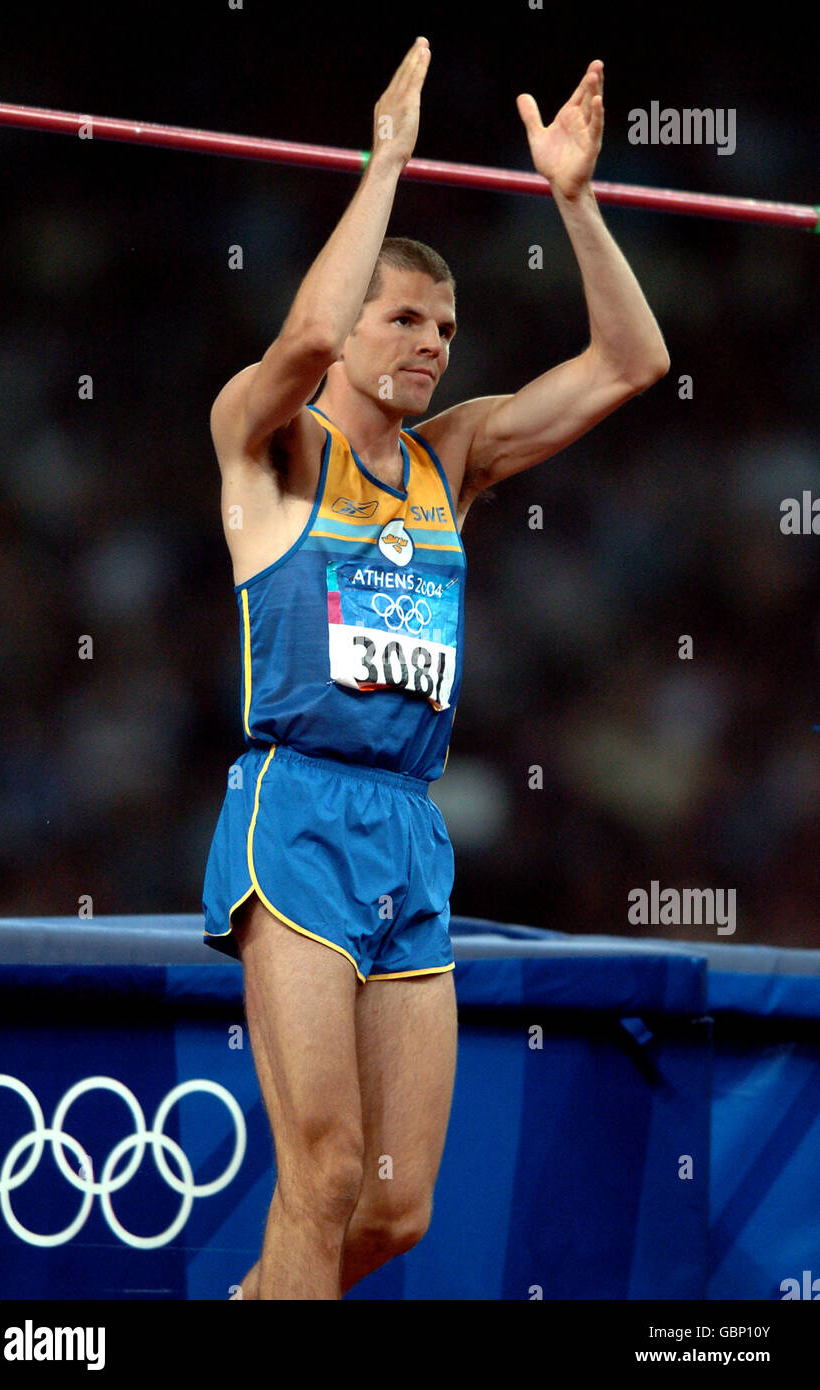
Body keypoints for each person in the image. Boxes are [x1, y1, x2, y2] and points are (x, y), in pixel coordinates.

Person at [202, 36, 669, 1300]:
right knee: (324, 1170)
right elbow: (301, 333)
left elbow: (631, 366)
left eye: (445, 328)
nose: (429, 346)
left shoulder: (448, 459)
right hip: (294, 810)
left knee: (392, 1210)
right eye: (403, 319)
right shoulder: (271, 445)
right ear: (356, 320)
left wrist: (574, 202)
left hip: (405, 830)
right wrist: (387, 160)